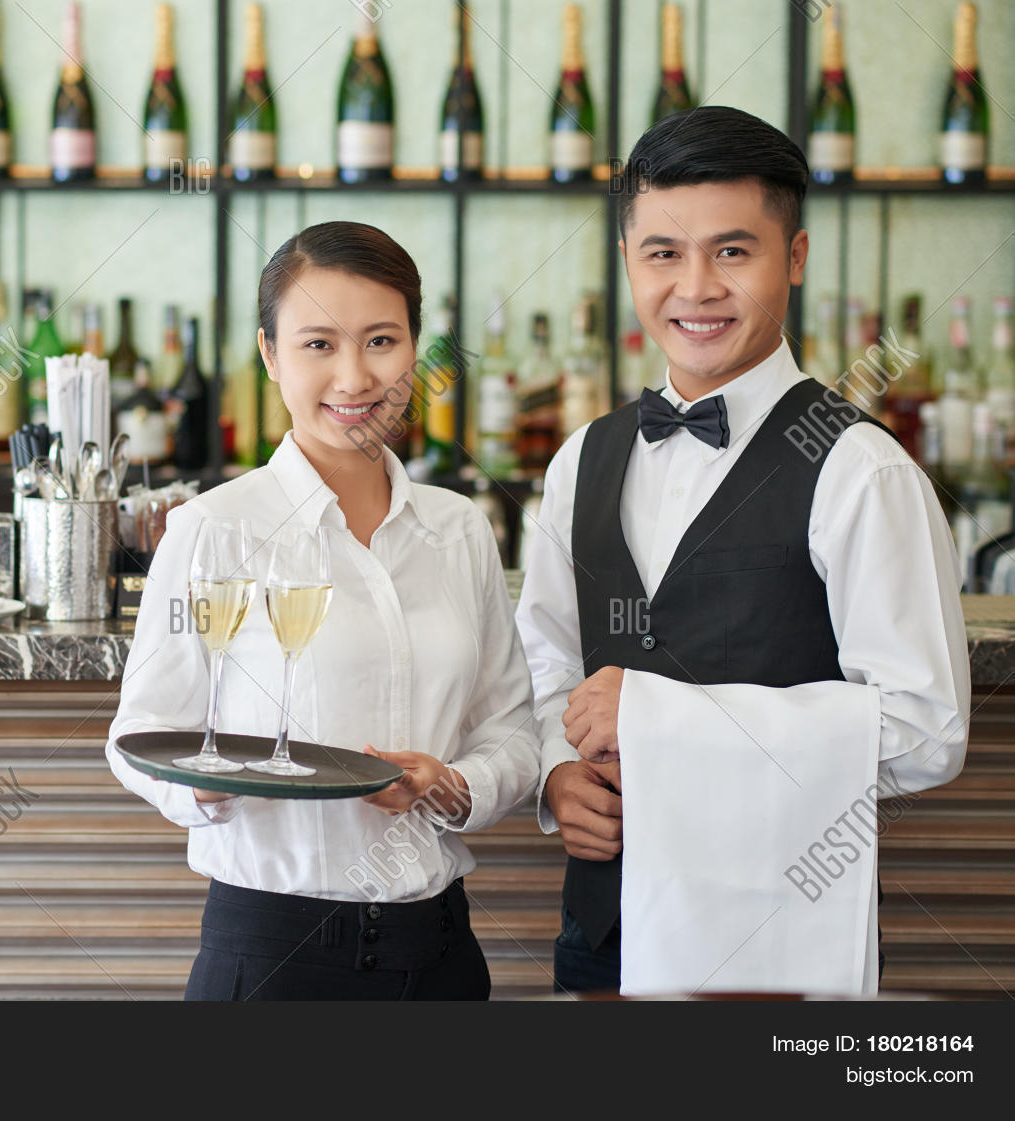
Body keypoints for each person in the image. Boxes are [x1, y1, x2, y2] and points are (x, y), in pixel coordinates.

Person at [516, 106, 970, 995]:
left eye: (733, 251)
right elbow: (544, 662)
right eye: (663, 254)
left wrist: (660, 720)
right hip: (601, 928)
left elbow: (928, 729)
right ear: (626, 263)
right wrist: (555, 770)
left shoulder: (860, 470)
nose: (696, 287)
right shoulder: (583, 458)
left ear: (793, 259)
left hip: (779, 942)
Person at [106, 221, 541, 1001]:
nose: (354, 378)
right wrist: (209, 780)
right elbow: (137, 734)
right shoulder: (214, 528)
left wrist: (452, 783)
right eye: (318, 345)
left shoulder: (459, 528)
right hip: (272, 956)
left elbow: (513, 730)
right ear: (270, 355)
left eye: (381, 340)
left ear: (416, 350)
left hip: (439, 956)